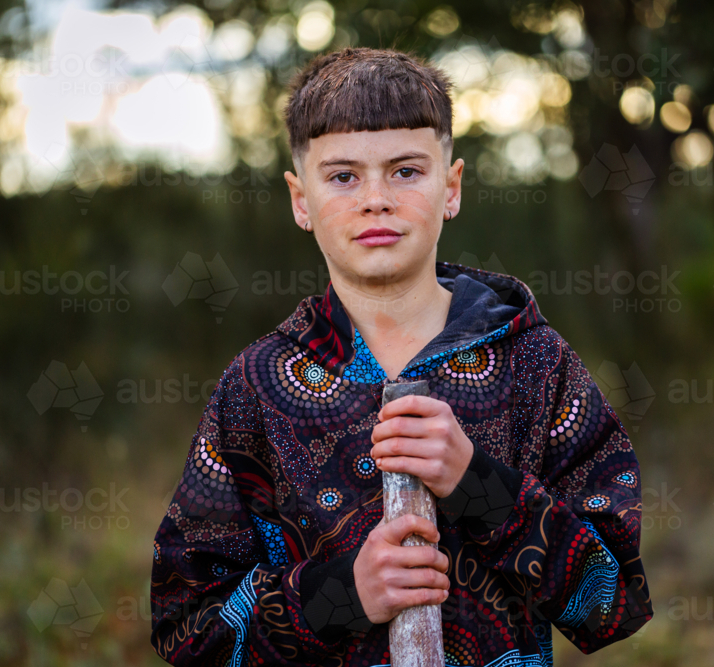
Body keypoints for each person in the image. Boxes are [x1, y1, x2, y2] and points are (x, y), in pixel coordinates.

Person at [150, 46, 652, 667]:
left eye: (406, 171)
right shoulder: (256, 387)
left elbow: (613, 606)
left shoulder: (535, 365)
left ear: (452, 186)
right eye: (342, 177)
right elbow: (186, 631)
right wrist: (341, 595)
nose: (376, 199)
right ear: (300, 199)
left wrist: (479, 485)